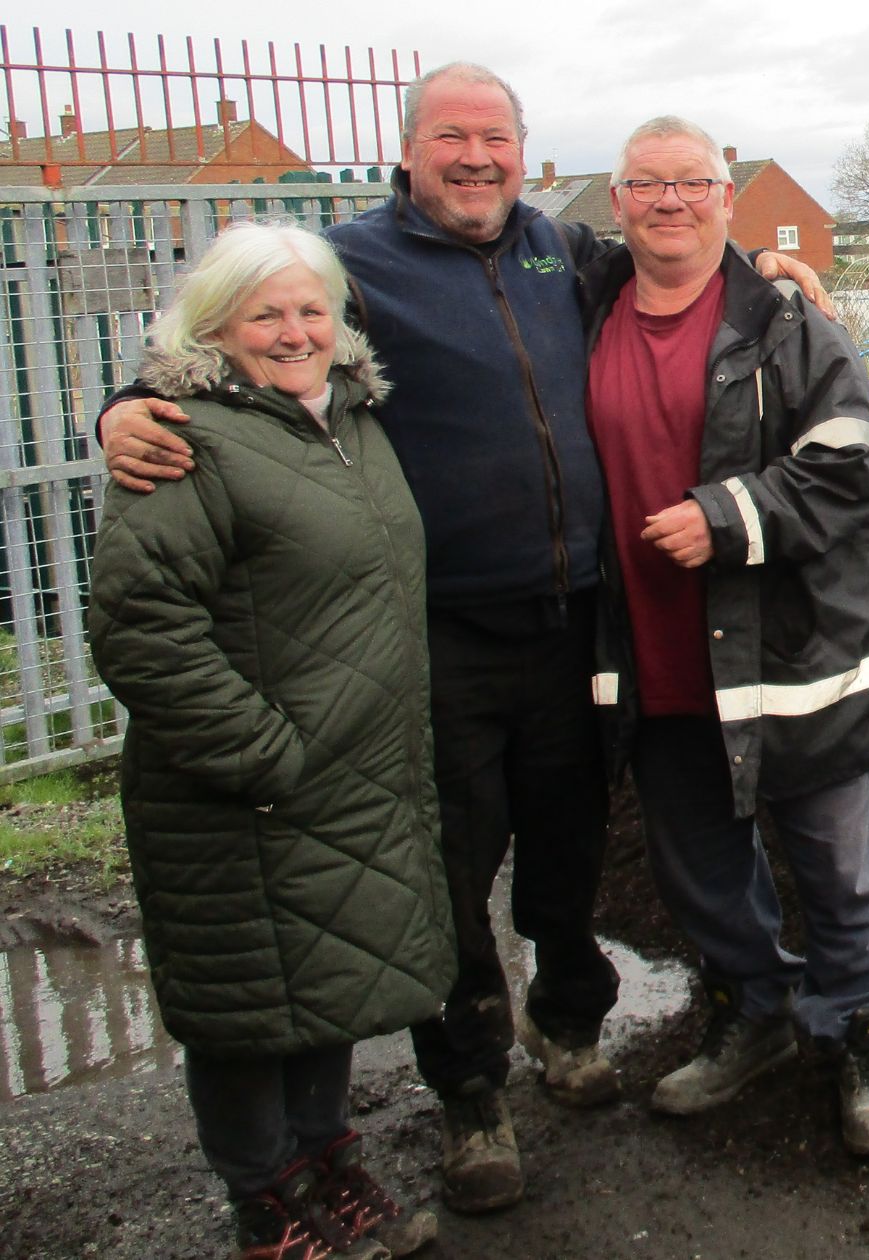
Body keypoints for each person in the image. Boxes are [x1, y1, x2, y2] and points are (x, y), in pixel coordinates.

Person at [93, 63, 836, 1214]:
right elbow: (242, 333)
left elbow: (678, 266)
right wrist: (123, 405)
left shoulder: (560, 249)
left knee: (569, 843)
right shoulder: (355, 264)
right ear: (410, 149)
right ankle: (470, 1094)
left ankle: (568, 1023)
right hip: (432, 638)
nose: (477, 159)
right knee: (447, 871)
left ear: (523, 146)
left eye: (496, 138)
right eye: (452, 139)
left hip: (571, 624)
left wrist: (772, 270)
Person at [88, 221, 451, 1260]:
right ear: (216, 326)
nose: (293, 332)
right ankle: (265, 1198)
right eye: (265, 314)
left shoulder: (346, 420)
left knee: (322, 981)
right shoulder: (182, 437)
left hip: (342, 771)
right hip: (245, 783)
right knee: (251, 1000)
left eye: (311, 310)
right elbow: (140, 625)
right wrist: (261, 756)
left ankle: (324, 1162)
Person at [580, 116, 869, 1154]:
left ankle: (860, 1036)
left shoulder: (787, 323)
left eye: (692, 185)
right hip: (655, 656)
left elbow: (851, 465)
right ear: (617, 201)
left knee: (843, 872)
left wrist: (727, 517)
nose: (669, 202)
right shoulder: (581, 306)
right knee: (701, 872)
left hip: (795, 665)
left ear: (728, 199)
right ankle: (754, 1013)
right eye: (647, 185)